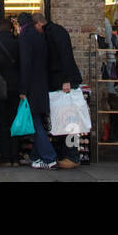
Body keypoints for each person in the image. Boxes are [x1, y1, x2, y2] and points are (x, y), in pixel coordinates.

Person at [17, 12, 58, 170]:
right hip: (42, 85)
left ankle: (49, 157)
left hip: (32, 87)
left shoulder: (26, 37)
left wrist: (23, 89)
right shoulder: (41, 37)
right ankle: (36, 157)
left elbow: (25, 64)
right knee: (38, 121)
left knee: (35, 123)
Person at [43, 13, 83, 168]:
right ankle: (66, 154)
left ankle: (72, 156)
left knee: (68, 120)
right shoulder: (57, 31)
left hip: (64, 84)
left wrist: (66, 80)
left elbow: (65, 56)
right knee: (65, 120)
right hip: (61, 82)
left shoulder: (54, 34)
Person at [0, 17, 21, 165]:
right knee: (15, 122)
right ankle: (15, 157)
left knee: (2, 124)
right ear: (11, 29)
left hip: (0, 86)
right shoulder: (18, 43)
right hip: (16, 86)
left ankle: (5, 157)